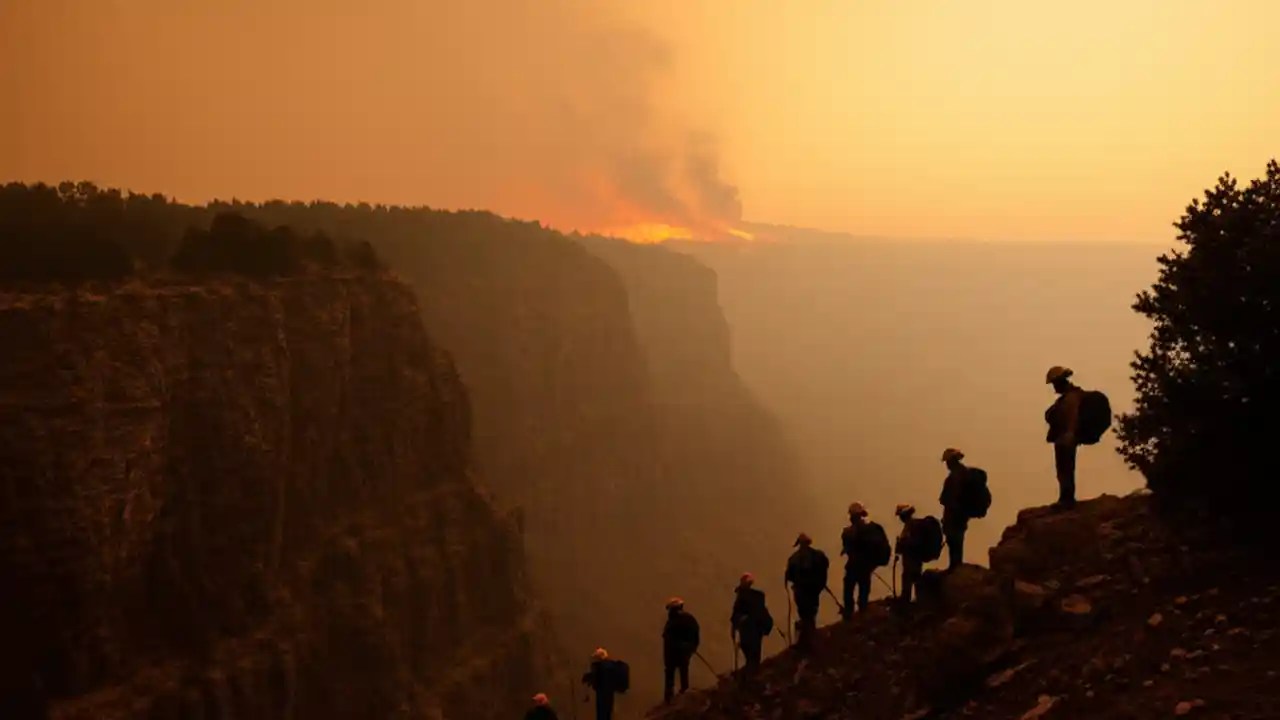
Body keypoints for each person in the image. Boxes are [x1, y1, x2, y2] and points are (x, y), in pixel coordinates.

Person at [1045, 366, 1084, 508]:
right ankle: (1065, 497)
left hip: (1066, 439)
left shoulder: (1071, 399)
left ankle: (1067, 499)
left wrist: (1070, 434)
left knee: (1065, 469)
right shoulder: (1069, 397)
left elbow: (1071, 418)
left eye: (1055, 384)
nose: (1054, 387)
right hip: (1065, 438)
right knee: (1064, 470)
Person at [784, 532, 829, 652]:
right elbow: (824, 568)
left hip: (801, 592)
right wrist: (820, 584)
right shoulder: (818, 555)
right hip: (814, 590)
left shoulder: (793, 559)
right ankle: (809, 637)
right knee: (811, 612)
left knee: (804, 614)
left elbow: (789, 576)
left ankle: (807, 641)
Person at [730, 572, 772, 681]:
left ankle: (749, 678)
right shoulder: (759, 597)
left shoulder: (741, 599)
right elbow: (764, 615)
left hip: (748, 631)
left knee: (749, 655)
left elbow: (735, 616)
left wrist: (733, 632)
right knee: (755, 654)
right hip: (758, 630)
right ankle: (753, 676)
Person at [839, 502, 875, 618]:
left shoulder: (847, 532)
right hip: (865, 566)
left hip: (853, 566)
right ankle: (862, 614)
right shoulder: (869, 530)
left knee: (848, 592)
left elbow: (847, 548)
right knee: (863, 592)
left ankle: (849, 616)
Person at [661, 597, 700, 703]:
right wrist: (692, 648)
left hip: (673, 655)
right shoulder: (690, 619)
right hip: (684, 653)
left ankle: (668, 699)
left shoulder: (671, 622)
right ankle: (684, 693)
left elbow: (667, 640)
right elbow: (696, 636)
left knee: (670, 676)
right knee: (683, 672)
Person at [938, 448, 969, 570]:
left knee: (954, 542)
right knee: (957, 541)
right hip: (960, 516)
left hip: (955, 516)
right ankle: (956, 566)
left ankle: (955, 567)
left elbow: (948, 498)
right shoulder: (964, 474)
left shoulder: (955, 477)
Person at [893, 504, 925, 604]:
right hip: (914, 558)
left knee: (909, 577)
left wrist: (902, 544)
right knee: (914, 577)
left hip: (912, 559)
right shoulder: (912, 525)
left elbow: (913, 542)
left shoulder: (912, 526)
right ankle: (916, 599)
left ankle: (908, 599)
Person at [581, 648, 623, 720]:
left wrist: (588, 678)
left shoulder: (601, 669)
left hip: (602, 696)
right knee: (607, 714)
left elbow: (591, 678)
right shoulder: (611, 667)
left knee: (602, 714)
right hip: (608, 696)